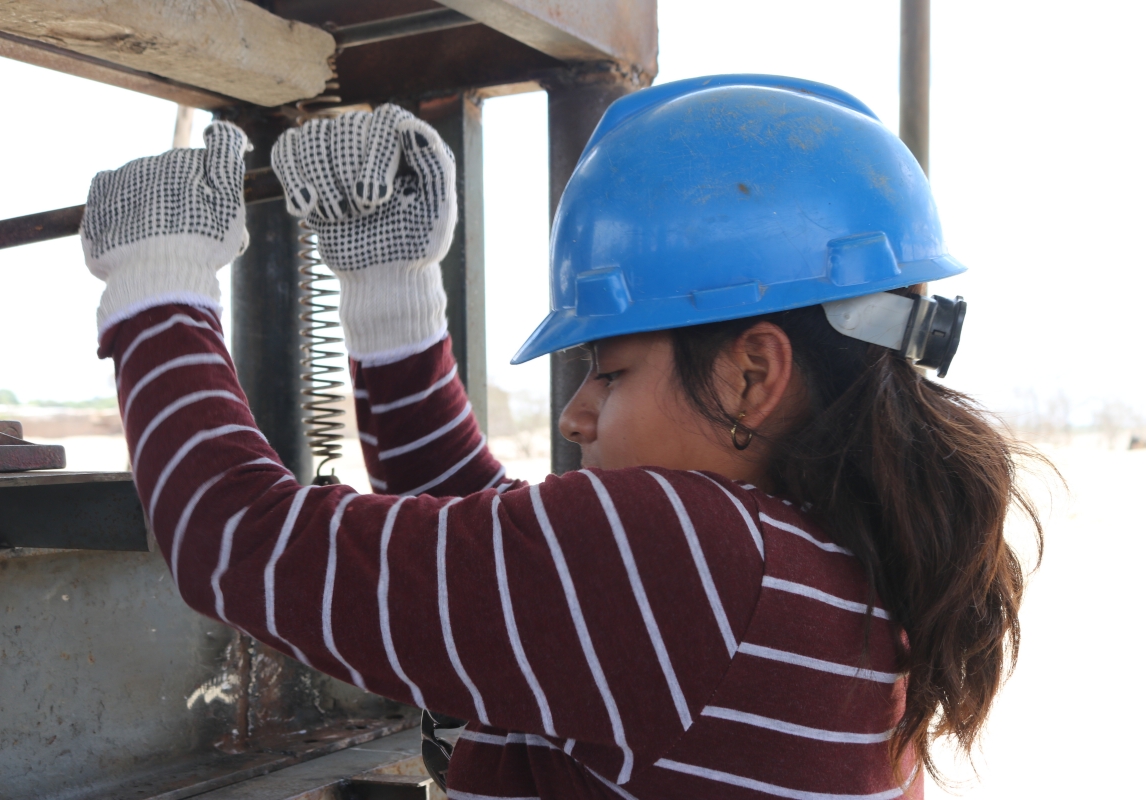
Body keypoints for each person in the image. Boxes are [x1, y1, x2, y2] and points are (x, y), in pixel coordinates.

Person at [81, 76, 1042, 799]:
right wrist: (390, 284)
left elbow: (243, 541)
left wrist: (157, 284)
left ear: (756, 371)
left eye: (610, 373)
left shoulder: (695, 562)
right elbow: (507, 557)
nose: (577, 414)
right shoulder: (821, 562)